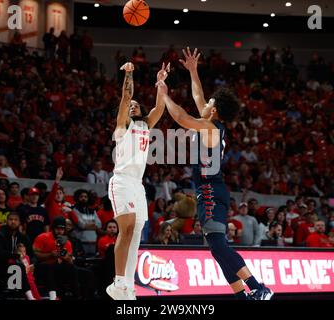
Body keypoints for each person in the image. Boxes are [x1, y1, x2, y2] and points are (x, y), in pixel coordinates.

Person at [156, 47, 273, 300]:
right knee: (216, 249)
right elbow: (199, 98)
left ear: (215, 110)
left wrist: (164, 95)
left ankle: (258, 287)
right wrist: (193, 71)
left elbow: (182, 117)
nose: (205, 103)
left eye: (210, 103)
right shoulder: (213, 124)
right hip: (211, 188)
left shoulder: (209, 127)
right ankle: (242, 295)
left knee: (218, 245)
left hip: (209, 188)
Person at [106, 61, 170, 300]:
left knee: (136, 234)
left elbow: (159, 107)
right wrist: (129, 74)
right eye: (129, 106)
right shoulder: (123, 126)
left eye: (135, 105)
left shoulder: (146, 124)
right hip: (121, 181)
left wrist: (161, 81)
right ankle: (118, 281)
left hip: (137, 185)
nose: (131, 106)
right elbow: (125, 96)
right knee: (128, 228)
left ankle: (127, 286)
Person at [33, 216, 79, 300]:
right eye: (57, 228)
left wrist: (65, 257)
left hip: (58, 266)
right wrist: (50, 255)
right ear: (53, 228)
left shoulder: (67, 242)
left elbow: (70, 261)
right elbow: (35, 255)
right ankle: (53, 297)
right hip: (42, 266)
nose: (60, 231)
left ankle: (77, 296)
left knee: (74, 269)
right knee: (49, 268)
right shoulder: (43, 237)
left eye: (62, 229)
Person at [0, 212, 36, 300]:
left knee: (22, 267)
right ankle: (30, 297)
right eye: (11, 219)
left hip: (21, 266)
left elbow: (32, 254)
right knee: (18, 267)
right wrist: (16, 256)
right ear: (6, 221)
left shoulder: (24, 237)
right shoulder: (0, 235)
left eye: (16, 220)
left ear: (19, 222)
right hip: (3, 266)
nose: (13, 222)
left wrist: (33, 264)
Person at [72, 189, 102, 256]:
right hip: (80, 242)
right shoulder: (74, 210)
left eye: (85, 197)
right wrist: (93, 225)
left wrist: (86, 225)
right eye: (81, 197)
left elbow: (99, 224)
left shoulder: (92, 211)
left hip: (93, 241)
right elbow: (81, 225)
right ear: (77, 198)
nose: (84, 198)